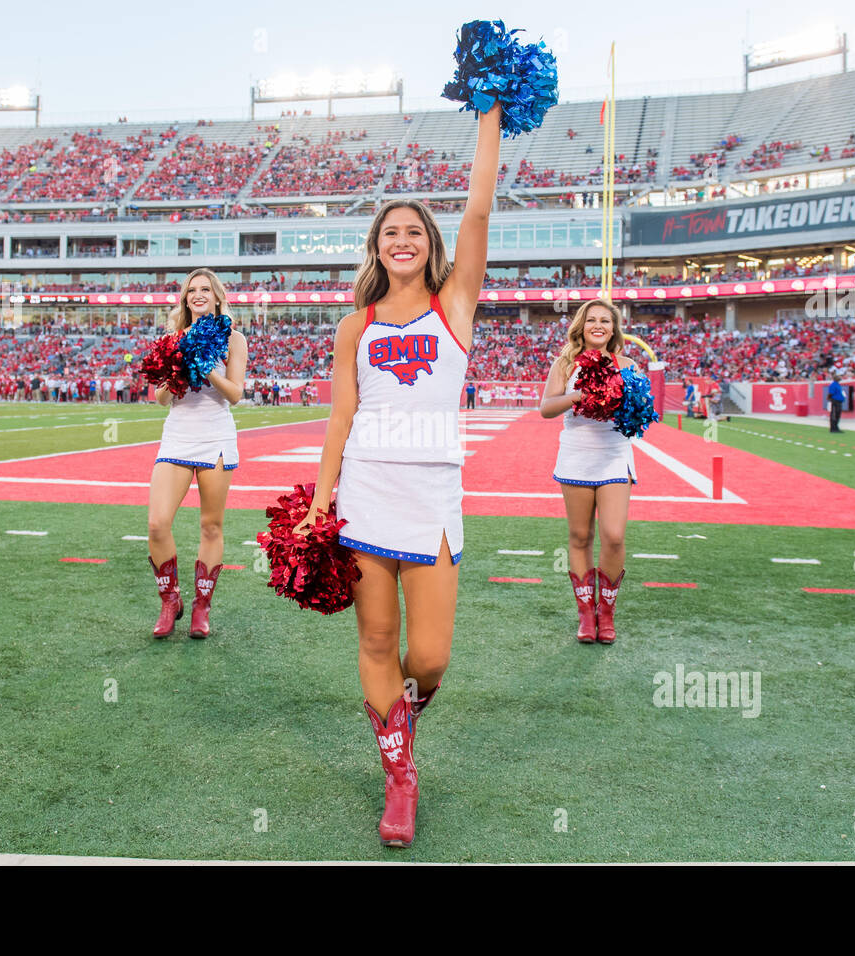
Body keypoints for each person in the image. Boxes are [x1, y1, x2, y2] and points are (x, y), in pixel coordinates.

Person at [295, 103, 500, 848]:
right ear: (376, 248)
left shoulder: (456, 305)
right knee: (377, 643)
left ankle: (402, 723)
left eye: (415, 231)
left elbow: (478, 208)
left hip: (431, 497)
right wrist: (322, 502)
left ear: (430, 244)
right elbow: (339, 421)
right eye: (391, 233)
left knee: (431, 657)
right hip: (365, 498)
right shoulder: (357, 324)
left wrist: (493, 115)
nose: (404, 241)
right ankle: (399, 777)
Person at [146, 269, 247, 638]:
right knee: (157, 523)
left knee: (211, 525)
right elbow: (160, 398)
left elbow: (235, 393)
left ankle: (201, 608)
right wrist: (177, 371)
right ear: (186, 299)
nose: (199, 294)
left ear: (217, 296)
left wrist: (207, 369)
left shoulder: (234, 338)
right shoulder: (174, 338)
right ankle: (170, 600)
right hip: (178, 436)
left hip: (215, 436)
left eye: (206, 289)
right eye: (193, 290)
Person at [539, 299, 636, 645]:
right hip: (577, 455)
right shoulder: (565, 363)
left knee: (613, 535)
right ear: (581, 325)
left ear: (614, 328)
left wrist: (625, 402)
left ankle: (606, 612)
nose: (598, 325)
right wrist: (580, 395)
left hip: (614, 454)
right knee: (580, 537)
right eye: (592, 319)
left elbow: (639, 412)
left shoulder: (627, 364)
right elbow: (546, 408)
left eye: (605, 321)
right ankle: (586, 614)